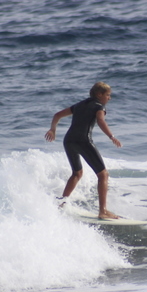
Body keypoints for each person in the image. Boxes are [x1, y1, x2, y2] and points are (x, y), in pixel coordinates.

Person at [45, 81, 122, 219]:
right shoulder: (99, 106)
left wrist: (53, 129)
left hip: (69, 141)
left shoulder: (79, 105)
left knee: (77, 173)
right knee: (103, 175)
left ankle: (62, 204)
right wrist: (112, 136)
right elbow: (101, 121)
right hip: (83, 141)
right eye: (108, 95)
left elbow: (57, 115)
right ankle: (103, 211)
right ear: (99, 94)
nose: (109, 98)